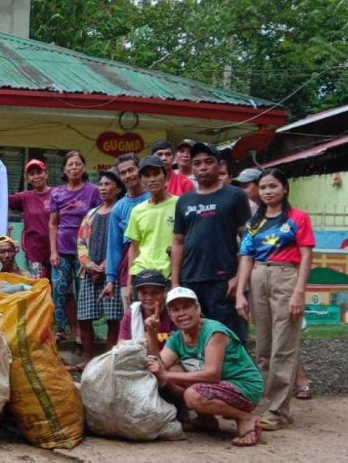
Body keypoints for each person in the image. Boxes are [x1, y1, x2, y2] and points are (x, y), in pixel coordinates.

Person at [236, 169, 314, 431]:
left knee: (284, 344)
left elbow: (305, 256)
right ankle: (267, 403)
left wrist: (299, 292)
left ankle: (278, 410)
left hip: (285, 277)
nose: (268, 191)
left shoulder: (297, 218)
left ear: (285, 189)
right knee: (264, 347)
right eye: (263, 187)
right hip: (258, 276)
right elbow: (246, 256)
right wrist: (240, 292)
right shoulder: (253, 222)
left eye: (273, 186)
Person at [146, 287, 264, 447]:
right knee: (174, 371)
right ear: (171, 315)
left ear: (198, 308)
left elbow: (212, 375)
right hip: (218, 387)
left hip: (245, 387)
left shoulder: (214, 331)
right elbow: (159, 365)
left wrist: (165, 375)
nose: (181, 313)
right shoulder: (177, 337)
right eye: (175, 309)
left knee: (192, 394)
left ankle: (245, 417)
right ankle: (206, 419)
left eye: (186, 307)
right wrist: (152, 334)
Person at [171, 143, 251, 342]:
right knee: (194, 336)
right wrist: (175, 283)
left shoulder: (235, 195)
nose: (202, 167)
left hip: (223, 279)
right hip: (191, 279)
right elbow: (178, 242)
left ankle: (231, 373)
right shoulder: (184, 201)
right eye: (197, 163)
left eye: (208, 162)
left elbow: (248, 240)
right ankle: (203, 373)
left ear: (218, 165)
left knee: (228, 336)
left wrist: (239, 278)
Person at [48, 151, 102, 339]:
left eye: (78, 164)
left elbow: (99, 219)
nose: (74, 168)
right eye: (70, 164)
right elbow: (53, 223)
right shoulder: (57, 193)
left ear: (84, 167)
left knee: (84, 291)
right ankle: (60, 329)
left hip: (85, 251)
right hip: (62, 249)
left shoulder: (93, 191)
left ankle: (84, 332)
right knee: (59, 289)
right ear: (64, 169)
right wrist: (53, 251)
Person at [74, 169, 125, 366]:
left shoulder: (121, 211)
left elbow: (124, 242)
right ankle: (88, 358)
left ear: (118, 188)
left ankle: (108, 361)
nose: (103, 188)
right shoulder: (91, 214)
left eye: (107, 184)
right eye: (101, 184)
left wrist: (107, 265)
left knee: (114, 318)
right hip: (89, 272)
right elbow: (81, 241)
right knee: (85, 317)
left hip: (113, 274)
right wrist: (87, 262)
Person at [101, 153, 150, 314]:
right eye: (123, 173)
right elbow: (114, 246)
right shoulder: (118, 208)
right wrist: (110, 279)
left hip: (156, 267)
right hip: (127, 271)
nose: (128, 175)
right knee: (132, 319)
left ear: (139, 170)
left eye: (131, 170)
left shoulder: (154, 198)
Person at [125, 155, 178, 284]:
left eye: (156, 174)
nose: (152, 179)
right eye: (147, 176)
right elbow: (134, 247)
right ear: (142, 181)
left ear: (165, 176)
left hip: (169, 274)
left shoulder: (180, 204)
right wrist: (129, 281)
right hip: (142, 274)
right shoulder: (137, 211)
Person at [9, 159, 52, 278]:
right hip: (35, 254)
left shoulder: (57, 194)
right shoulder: (24, 197)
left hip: (57, 251)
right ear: (27, 179)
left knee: (59, 290)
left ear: (46, 174)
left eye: (39, 172)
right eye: (32, 174)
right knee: (38, 288)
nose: (36, 176)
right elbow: (0, 197)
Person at [117, 269, 175, 348]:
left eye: (154, 292)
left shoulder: (173, 313)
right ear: (138, 294)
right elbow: (121, 347)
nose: (149, 297)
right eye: (144, 293)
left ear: (164, 292)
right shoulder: (131, 314)